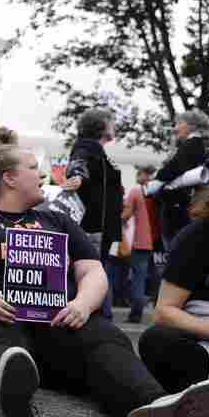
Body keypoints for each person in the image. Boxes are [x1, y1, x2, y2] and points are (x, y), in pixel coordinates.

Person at [0, 145, 209, 417]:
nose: (42, 174)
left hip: (58, 322)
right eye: (33, 168)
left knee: (104, 339)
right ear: (9, 178)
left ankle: (155, 407)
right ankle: (1, 394)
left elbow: (92, 270)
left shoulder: (57, 221)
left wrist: (82, 304)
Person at [139, 177, 209, 394]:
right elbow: (164, 312)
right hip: (206, 341)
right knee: (156, 340)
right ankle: (205, 394)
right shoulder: (200, 236)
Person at [64, 108, 123, 320]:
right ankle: (100, 317)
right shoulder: (86, 148)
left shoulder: (97, 151)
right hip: (94, 226)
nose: (114, 126)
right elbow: (77, 164)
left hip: (100, 225)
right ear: (101, 127)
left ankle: (100, 315)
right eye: (111, 123)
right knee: (96, 272)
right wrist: (77, 176)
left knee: (98, 271)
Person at [156, 109, 209, 247]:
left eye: (179, 123)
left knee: (175, 247)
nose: (175, 127)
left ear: (191, 125)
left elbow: (171, 169)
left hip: (179, 208)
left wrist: (158, 177)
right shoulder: (203, 145)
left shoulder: (191, 144)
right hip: (190, 205)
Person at [121, 165, 156, 323]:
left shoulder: (135, 191)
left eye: (139, 173)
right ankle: (140, 311)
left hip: (136, 241)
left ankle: (135, 313)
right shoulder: (153, 192)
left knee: (136, 278)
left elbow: (126, 214)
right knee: (143, 276)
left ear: (143, 174)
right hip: (149, 241)